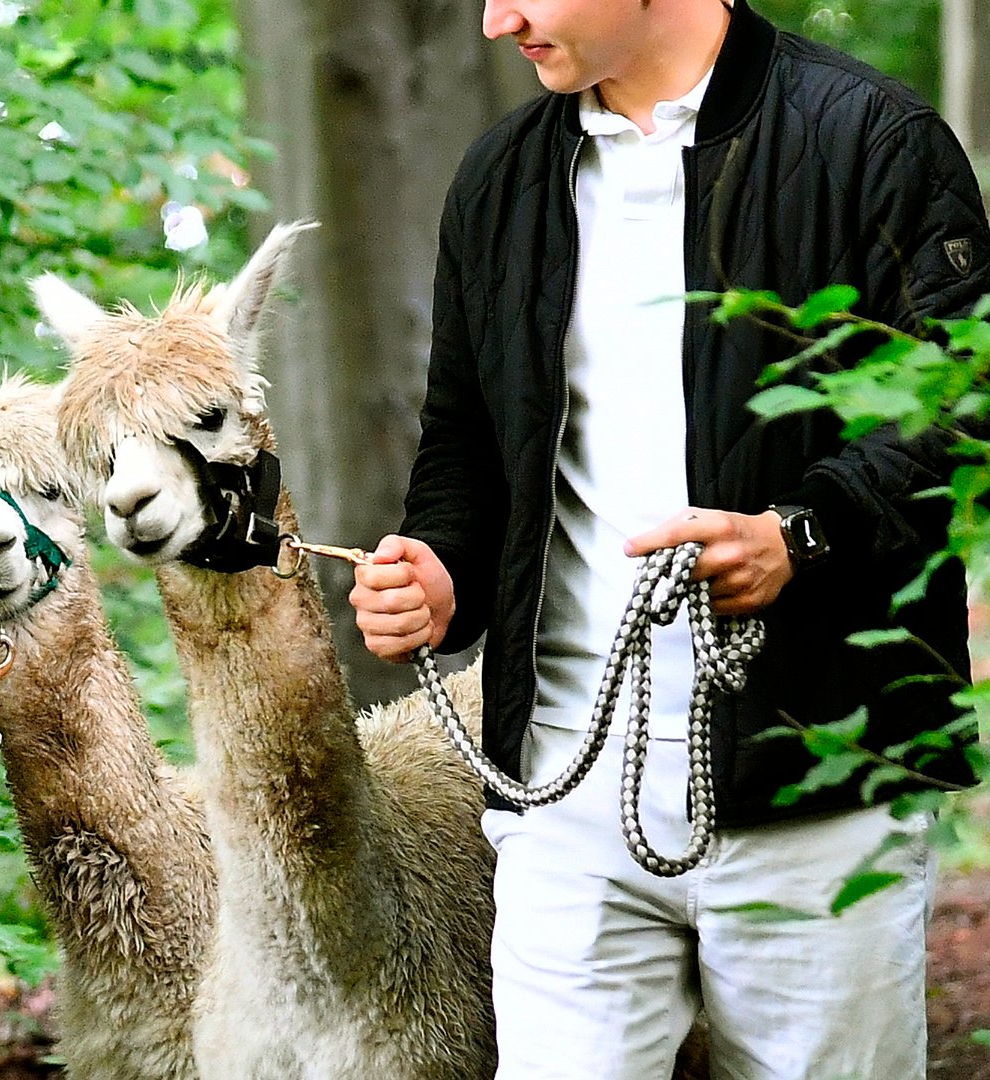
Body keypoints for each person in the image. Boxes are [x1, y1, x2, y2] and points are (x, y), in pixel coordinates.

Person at [347, 1, 990, 1077]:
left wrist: (801, 534)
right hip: (562, 794)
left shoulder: (871, 138)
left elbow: (961, 404)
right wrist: (443, 570)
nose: (498, 21)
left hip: (814, 793)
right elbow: (465, 443)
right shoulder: (501, 177)